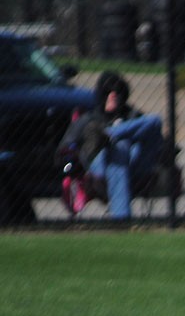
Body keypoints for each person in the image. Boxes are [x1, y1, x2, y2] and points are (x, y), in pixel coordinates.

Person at [59, 70, 164, 219]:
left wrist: (113, 134)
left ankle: (110, 134)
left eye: (118, 93)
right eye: (108, 92)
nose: (113, 96)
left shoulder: (133, 115)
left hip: (136, 165)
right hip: (99, 168)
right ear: (101, 95)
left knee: (154, 120)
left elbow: (156, 138)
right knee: (119, 149)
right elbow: (65, 149)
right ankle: (122, 219)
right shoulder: (89, 119)